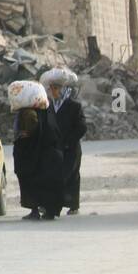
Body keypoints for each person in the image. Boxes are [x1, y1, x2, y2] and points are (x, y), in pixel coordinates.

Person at [13, 103, 64, 220]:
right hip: (44, 157)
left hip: (38, 156)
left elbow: (31, 130)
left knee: (39, 183)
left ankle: (41, 210)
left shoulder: (29, 113)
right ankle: (44, 210)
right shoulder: (45, 113)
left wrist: (25, 136)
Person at [49, 81, 86, 215]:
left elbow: (82, 127)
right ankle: (54, 203)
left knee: (70, 176)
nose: (53, 91)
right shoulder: (50, 106)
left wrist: (68, 141)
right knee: (55, 175)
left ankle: (72, 205)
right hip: (55, 148)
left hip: (71, 148)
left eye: (56, 88)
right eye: (52, 88)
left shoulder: (74, 106)